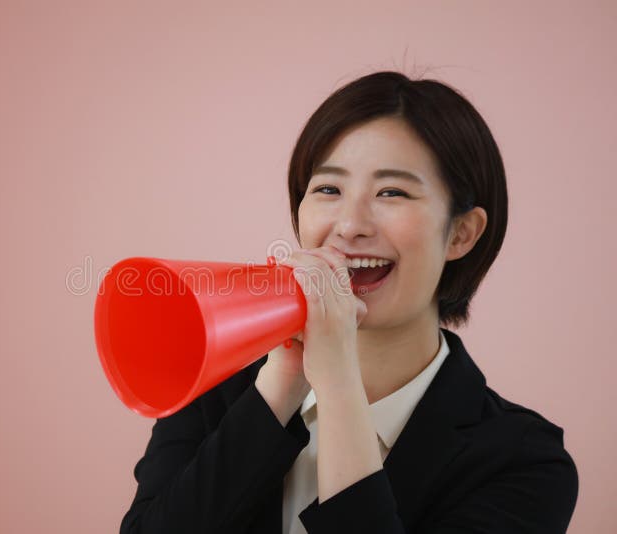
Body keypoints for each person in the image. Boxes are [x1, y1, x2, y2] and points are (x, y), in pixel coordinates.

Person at [119, 71, 578, 533]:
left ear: (461, 233)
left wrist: (339, 385)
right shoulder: (212, 393)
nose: (350, 224)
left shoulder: (525, 460)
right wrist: (285, 379)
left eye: (391, 192)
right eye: (328, 190)